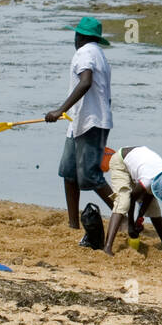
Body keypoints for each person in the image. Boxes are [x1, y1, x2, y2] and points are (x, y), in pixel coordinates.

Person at [46, 16, 115, 233]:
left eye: (76, 34)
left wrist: (60, 110)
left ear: (81, 36)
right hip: (79, 122)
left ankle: (124, 216)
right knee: (69, 172)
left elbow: (85, 82)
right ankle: (73, 223)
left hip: (91, 123)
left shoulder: (85, 52)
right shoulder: (98, 54)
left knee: (90, 176)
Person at [102, 145, 162, 254]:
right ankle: (107, 247)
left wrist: (139, 218)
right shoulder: (149, 180)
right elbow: (132, 198)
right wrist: (130, 225)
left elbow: (149, 196)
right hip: (121, 162)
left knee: (153, 209)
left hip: (140, 166)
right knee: (123, 202)